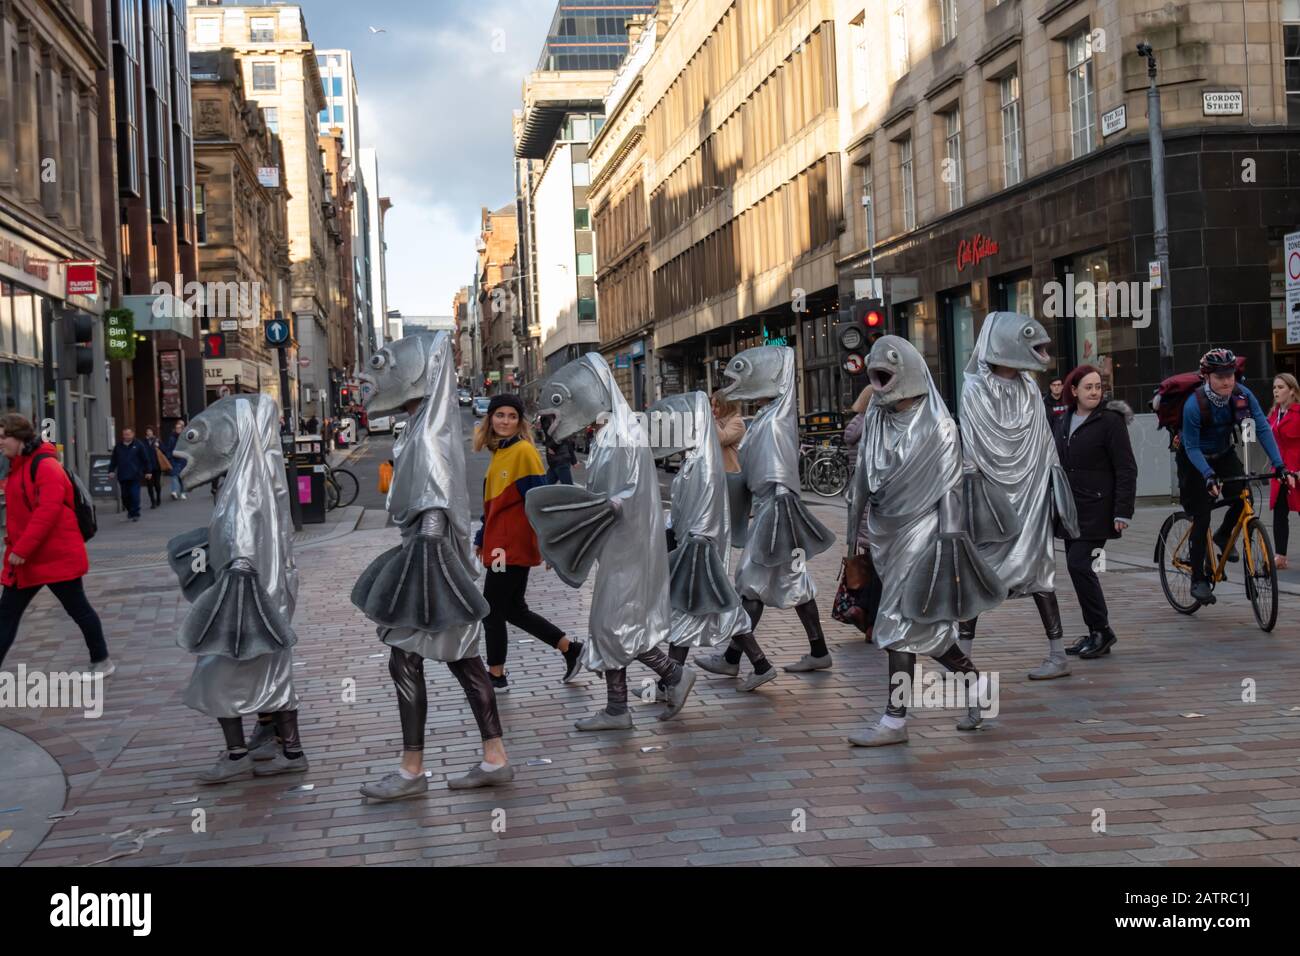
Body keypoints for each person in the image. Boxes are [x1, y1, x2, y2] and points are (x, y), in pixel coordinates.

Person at [353, 333, 513, 800]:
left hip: (434, 572)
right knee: (462, 664)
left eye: (383, 369)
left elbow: (435, 507)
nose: (370, 380)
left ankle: (412, 771)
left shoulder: (425, 435)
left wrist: (420, 578)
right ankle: (492, 758)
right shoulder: (425, 427)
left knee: (410, 661)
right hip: (442, 571)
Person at [525, 354, 697, 730]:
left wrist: (576, 529)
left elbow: (623, 496)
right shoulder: (608, 435)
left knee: (613, 627)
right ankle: (618, 708)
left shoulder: (621, 436)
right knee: (609, 625)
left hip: (627, 551)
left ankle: (672, 675)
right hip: (617, 549)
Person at [846, 338, 1001, 745]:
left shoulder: (941, 426)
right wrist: (852, 541)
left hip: (923, 534)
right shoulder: (877, 419)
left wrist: (951, 549)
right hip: (886, 534)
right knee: (923, 627)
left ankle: (895, 719)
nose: (878, 378)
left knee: (897, 622)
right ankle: (977, 685)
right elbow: (863, 476)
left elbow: (951, 490)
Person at [166, 396, 307, 784]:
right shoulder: (260, 482)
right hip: (269, 596)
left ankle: (237, 753)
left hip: (243, 598)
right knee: (274, 670)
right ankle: (286, 746)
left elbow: (241, 545)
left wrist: (232, 596)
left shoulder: (243, 492)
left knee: (216, 671)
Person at [695, 346, 837, 681]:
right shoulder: (768, 417)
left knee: (750, 584)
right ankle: (819, 652)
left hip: (774, 514)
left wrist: (771, 525)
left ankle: (738, 658)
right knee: (796, 582)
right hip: (777, 515)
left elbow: (775, 480)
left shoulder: (772, 423)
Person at [958, 313, 1074, 680]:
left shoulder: (1028, 388)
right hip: (992, 500)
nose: (1043, 352)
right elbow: (974, 449)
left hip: (1032, 495)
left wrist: (1052, 480)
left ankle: (1058, 655)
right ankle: (962, 658)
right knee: (978, 573)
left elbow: (1044, 441)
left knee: (1039, 570)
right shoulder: (974, 389)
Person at [472, 394, 584, 692]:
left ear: (520, 421)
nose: (505, 421)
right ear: (490, 419)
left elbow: (541, 501)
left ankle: (496, 675)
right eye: (499, 415)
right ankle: (569, 649)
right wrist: (481, 536)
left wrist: (549, 542)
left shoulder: (523, 451)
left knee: (491, 609)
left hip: (509, 545)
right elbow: (493, 506)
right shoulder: (500, 451)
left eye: (511, 416)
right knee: (512, 608)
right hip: (498, 542)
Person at [0, 413, 112, 674]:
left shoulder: (45, 466)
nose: (0, 442)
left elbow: (46, 512)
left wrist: (21, 549)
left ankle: (102, 660)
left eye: (4, 436)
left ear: (20, 438)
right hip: (29, 559)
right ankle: (102, 660)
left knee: (79, 610)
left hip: (55, 556)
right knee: (5, 616)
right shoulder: (19, 466)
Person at [1180, 349, 1293, 605]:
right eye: (1220, 377)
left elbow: (1262, 427)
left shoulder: (1241, 394)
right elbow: (1192, 447)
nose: (1227, 381)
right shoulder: (1194, 404)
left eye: (1230, 375)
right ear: (1207, 376)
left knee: (1245, 499)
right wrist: (1208, 476)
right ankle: (1198, 579)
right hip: (1194, 459)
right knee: (1202, 515)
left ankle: (1223, 536)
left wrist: (1280, 465)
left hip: (1223, 453)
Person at [1052, 365, 1137, 660]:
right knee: (1077, 569)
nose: (1094, 392)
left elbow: (1126, 467)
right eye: (1088, 387)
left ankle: (1103, 631)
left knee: (1079, 565)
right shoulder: (1064, 420)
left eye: (1098, 387)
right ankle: (1094, 631)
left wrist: (1122, 512)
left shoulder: (1110, 421)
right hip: (1069, 509)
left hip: (1098, 508)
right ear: (1073, 390)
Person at [1268, 373, 1300, 570]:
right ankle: (1280, 556)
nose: (1276, 391)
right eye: (1274, 387)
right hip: (1279, 471)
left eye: (1280, 387)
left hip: (1297, 469)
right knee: (1279, 513)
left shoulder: (1298, 414)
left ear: (1292, 391)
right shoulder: (1274, 413)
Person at [107, 427, 152, 522]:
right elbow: (114, 460)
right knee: (125, 496)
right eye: (124, 434)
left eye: (128, 434)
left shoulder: (138, 445)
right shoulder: (118, 446)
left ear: (133, 434)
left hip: (135, 475)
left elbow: (145, 459)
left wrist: (148, 471)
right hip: (123, 475)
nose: (126, 436)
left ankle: (135, 513)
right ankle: (130, 510)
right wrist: (111, 471)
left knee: (134, 495)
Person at [712, 389, 746, 474]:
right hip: (720, 473)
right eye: (711, 405)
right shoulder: (721, 422)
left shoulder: (737, 422)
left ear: (727, 406)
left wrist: (711, 419)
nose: (713, 409)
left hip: (731, 474)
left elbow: (722, 438)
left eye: (717, 406)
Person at [539, 412, 577, 485]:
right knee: (545, 487)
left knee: (568, 489)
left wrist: (552, 447)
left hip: (560, 461)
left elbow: (559, 437)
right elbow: (566, 440)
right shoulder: (551, 417)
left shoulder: (550, 418)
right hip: (555, 462)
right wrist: (573, 461)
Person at [161, 420, 188, 500]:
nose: (178, 430)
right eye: (177, 428)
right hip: (174, 460)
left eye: (179, 428)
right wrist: (169, 458)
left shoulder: (185, 438)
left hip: (183, 460)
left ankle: (183, 492)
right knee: (174, 475)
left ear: (182, 429)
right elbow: (169, 449)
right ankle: (174, 492)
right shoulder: (172, 438)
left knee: (181, 477)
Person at [142, 426, 164, 509]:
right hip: (147, 467)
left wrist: (159, 446)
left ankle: (158, 497)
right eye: (147, 431)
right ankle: (153, 501)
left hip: (156, 466)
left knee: (157, 484)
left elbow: (164, 450)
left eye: (150, 431)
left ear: (153, 432)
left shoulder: (157, 441)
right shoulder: (143, 442)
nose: (149, 432)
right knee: (149, 485)